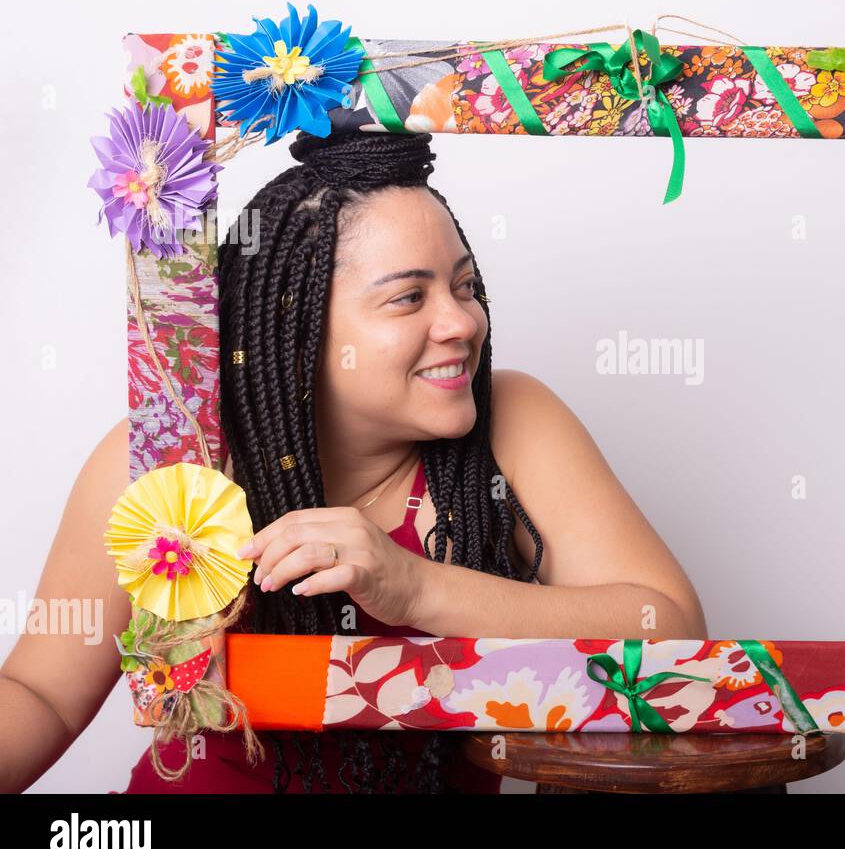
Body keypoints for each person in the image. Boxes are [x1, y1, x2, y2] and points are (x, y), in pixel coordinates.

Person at [0, 128, 709, 793]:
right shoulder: (169, 452)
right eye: (409, 297)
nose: (463, 322)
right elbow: (41, 696)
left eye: (465, 285)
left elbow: (669, 630)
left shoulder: (515, 421)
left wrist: (414, 586)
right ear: (296, 322)